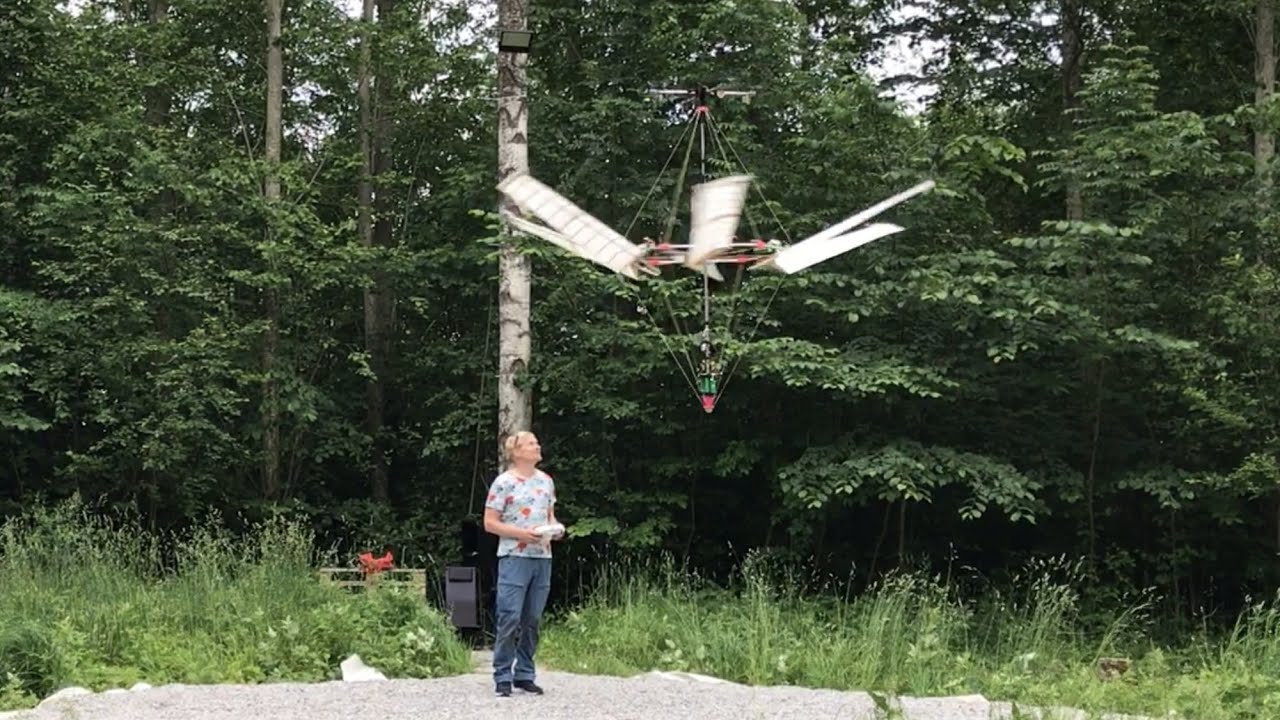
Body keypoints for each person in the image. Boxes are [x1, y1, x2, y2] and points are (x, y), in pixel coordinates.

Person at [483, 430, 564, 697]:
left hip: (542, 556)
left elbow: (549, 515)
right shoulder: (503, 482)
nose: (537, 446)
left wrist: (555, 529)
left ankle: (525, 674)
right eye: (531, 443)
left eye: (536, 442)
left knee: (532, 618)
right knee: (510, 616)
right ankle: (502, 675)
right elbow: (489, 523)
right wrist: (521, 534)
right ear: (516, 452)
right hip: (514, 556)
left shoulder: (546, 482)